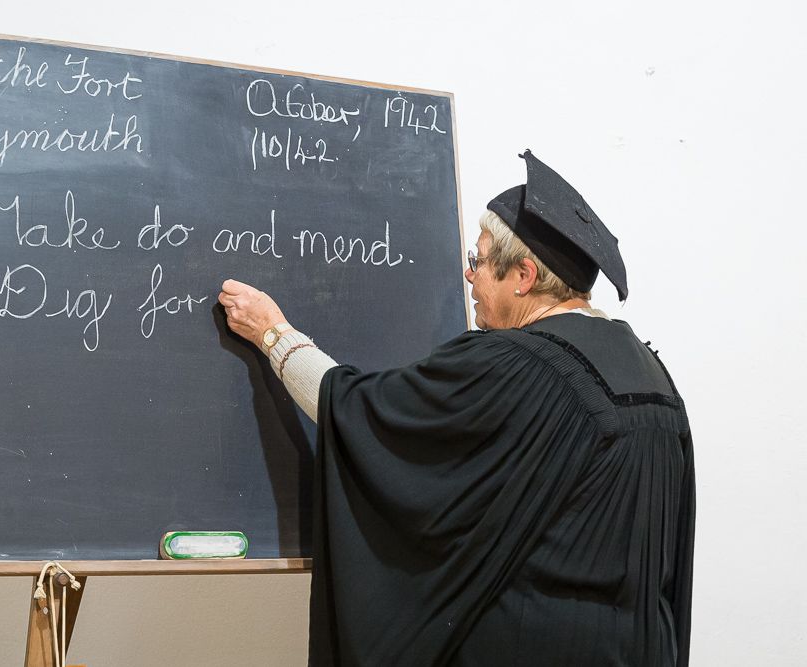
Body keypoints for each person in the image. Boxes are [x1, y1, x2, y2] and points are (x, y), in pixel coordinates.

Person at [218, 150, 695, 666]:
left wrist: (273, 334)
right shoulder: (652, 375)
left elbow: (363, 415)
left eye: (479, 260)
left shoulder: (516, 366)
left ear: (524, 275)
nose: (468, 277)